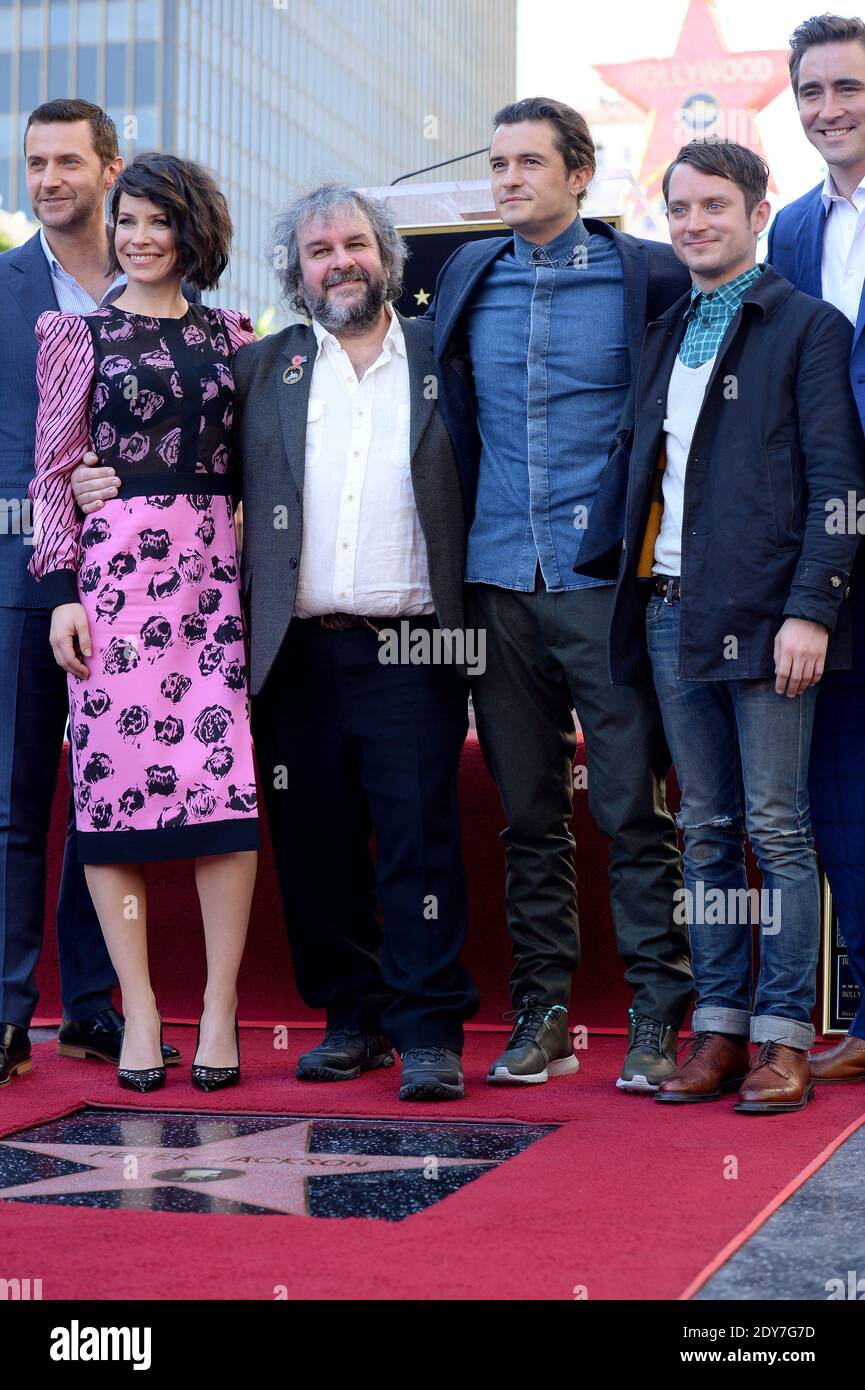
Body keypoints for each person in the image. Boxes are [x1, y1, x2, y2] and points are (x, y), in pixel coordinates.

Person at [71, 183, 479, 1102]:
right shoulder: (260, 365)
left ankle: (427, 1031)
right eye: (318, 250)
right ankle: (351, 1020)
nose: (339, 262)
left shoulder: (440, 357)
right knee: (314, 845)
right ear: (296, 273)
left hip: (411, 641)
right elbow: (177, 450)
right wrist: (93, 478)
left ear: (385, 255)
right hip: (290, 644)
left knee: (419, 842)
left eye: (354, 244)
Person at [579, 139, 864, 1113]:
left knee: (777, 829)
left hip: (769, 618)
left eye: (714, 205)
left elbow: (839, 485)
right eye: (680, 207)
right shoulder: (665, 329)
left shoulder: (807, 326)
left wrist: (810, 610)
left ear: (756, 214)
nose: (695, 222)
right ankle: (719, 1030)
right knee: (703, 828)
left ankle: (783, 1038)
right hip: (670, 613)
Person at [428, 97, 694, 1090]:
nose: (508, 179)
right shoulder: (468, 272)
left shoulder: (645, 273)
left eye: (529, 163)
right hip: (495, 580)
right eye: (497, 163)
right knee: (528, 815)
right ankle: (542, 1015)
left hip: (602, 583)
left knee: (631, 809)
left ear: (580, 175)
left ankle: (659, 1013)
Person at [29, 152, 259, 1093]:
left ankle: (219, 1007)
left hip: (212, 590)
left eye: (158, 220)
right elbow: (54, 473)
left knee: (224, 795)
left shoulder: (237, 336)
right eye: (126, 220)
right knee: (113, 802)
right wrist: (62, 593)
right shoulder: (72, 334)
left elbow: (258, 465)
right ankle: (142, 1009)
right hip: (113, 587)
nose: (138, 237)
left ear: (191, 230)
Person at [0, 99, 183, 1086]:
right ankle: (6, 1012)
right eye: (35, 163)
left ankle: (93, 1008)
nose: (48, 179)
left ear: (111, 169)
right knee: (15, 803)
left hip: (135, 583)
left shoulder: (157, 280)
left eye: (69, 161)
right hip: (18, 575)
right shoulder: (4, 287)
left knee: (107, 801)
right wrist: (43, 500)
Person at [767, 12, 865, 1082]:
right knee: (838, 795)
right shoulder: (789, 231)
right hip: (829, 551)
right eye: (811, 91)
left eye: (847, 87)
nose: (829, 109)